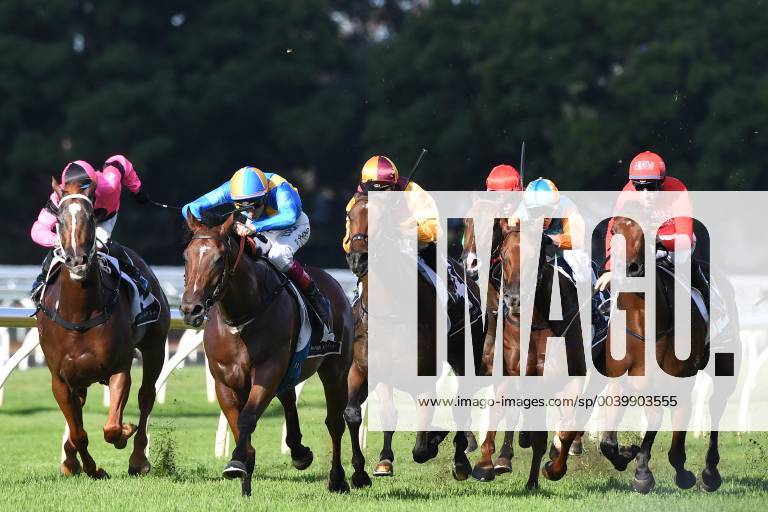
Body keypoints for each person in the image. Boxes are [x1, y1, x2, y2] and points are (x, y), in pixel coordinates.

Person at [182, 166, 332, 331]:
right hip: (259, 228)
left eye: (256, 204)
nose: (251, 211)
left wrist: (254, 227)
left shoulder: (279, 188)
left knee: (278, 256)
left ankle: (314, 295)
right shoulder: (232, 189)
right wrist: (201, 228)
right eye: (243, 207)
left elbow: (289, 216)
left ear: (265, 195)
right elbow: (190, 207)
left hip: (293, 226)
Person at [30, 156, 150, 304]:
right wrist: (61, 241)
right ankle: (42, 280)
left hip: (103, 217)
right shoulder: (58, 198)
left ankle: (135, 275)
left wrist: (136, 189)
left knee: (100, 244)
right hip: (73, 221)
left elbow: (120, 161)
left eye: (82, 189)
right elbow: (38, 229)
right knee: (65, 247)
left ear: (93, 186)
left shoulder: (109, 183)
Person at [595, 151, 708, 306]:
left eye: (651, 187)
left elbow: (685, 237)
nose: (645, 194)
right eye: (639, 187)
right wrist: (611, 269)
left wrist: (655, 239)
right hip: (642, 242)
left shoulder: (677, 190)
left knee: (680, 258)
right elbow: (613, 232)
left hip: (673, 241)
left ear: (661, 183)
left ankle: (706, 295)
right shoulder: (627, 193)